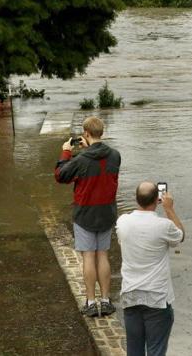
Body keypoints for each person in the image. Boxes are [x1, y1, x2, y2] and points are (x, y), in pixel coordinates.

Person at [54, 116, 121, 317]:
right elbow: (98, 164)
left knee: (88, 257)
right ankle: (106, 301)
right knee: (103, 255)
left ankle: (91, 302)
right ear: (102, 132)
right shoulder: (115, 155)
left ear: (86, 133)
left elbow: (61, 175)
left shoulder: (81, 160)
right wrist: (87, 149)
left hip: (85, 214)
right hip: (106, 213)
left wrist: (67, 152)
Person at [117, 181, 185, 356]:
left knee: (134, 350)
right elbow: (180, 236)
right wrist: (169, 209)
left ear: (136, 199)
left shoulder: (123, 221)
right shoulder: (164, 226)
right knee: (156, 350)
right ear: (158, 200)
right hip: (157, 297)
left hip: (130, 294)